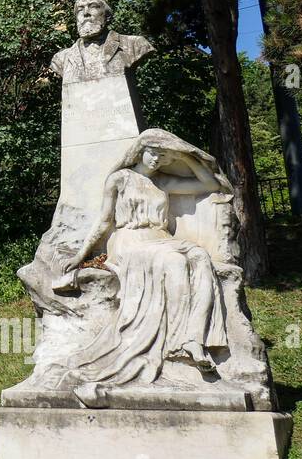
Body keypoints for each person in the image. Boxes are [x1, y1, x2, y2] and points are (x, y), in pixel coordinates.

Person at [59, 129, 230, 392]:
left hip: (161, 238)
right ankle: (175, 342)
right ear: (140, 151)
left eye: (162, 157)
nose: (156, 160)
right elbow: (105, 221)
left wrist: (188, 156)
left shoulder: (163, 182)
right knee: (174, 262)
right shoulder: (120, 179)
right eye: (153, 153)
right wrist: (82, 254)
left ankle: (193, 339)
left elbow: (210, 184)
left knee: (199, 257)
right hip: (132, 241)